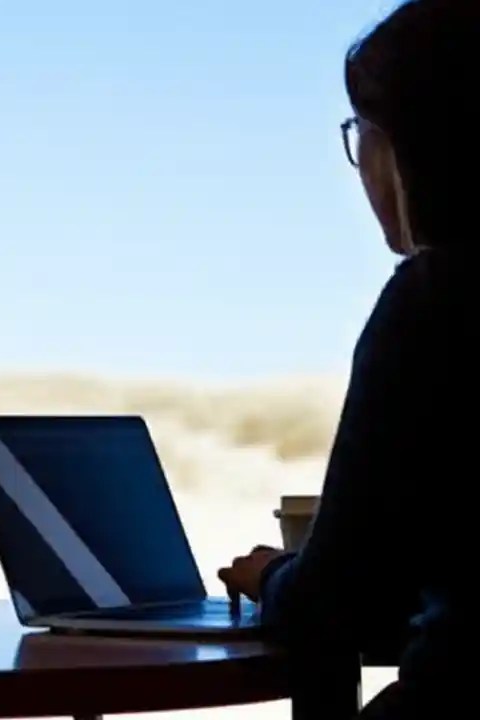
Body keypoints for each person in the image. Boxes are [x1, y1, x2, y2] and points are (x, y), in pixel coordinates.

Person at [218, 1, 473, 716]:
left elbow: (339, 603)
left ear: (411, 147)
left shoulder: (434, 306)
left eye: (362, 132)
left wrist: (273, 577)